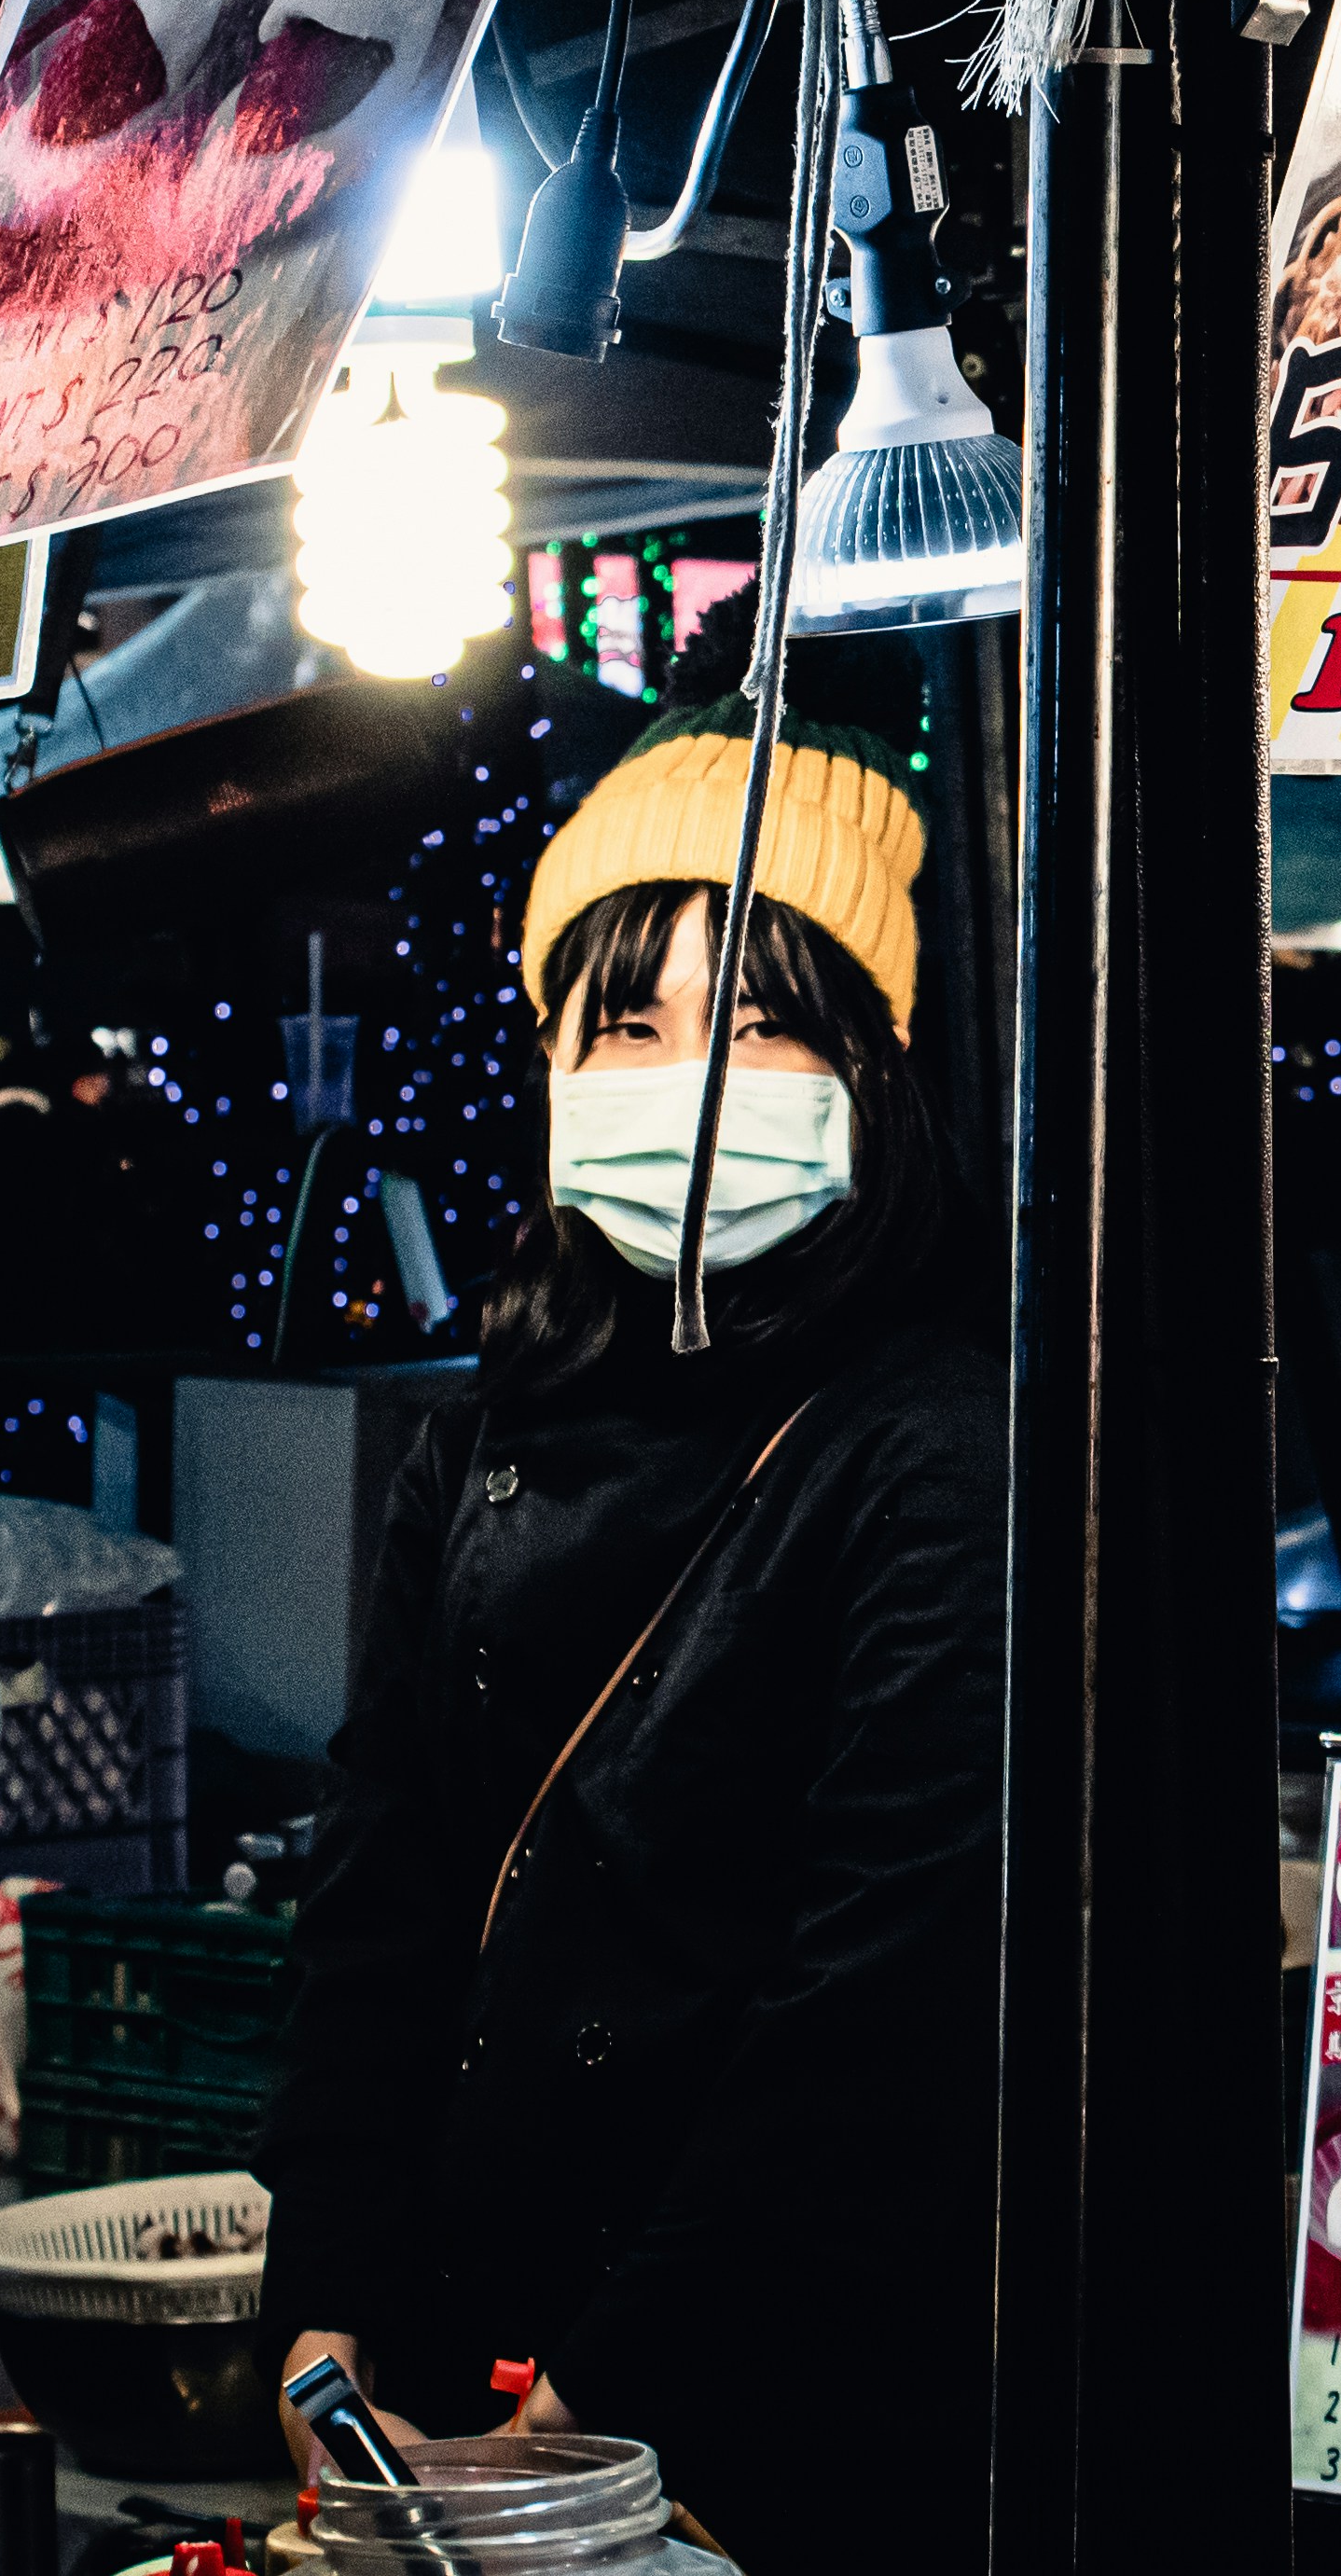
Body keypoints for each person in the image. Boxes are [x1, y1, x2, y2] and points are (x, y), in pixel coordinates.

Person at [258, 644, 999, 2576]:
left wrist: (604, 2411)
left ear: (884, 1071)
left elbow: (882, 2004)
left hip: (782, 2392)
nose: (682, 1086)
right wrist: (327, 2302)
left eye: (762, 1026)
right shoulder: (490, 1428)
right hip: (458, 2352)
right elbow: (381, 1890)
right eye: (627, 1025)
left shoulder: (936, 1440)